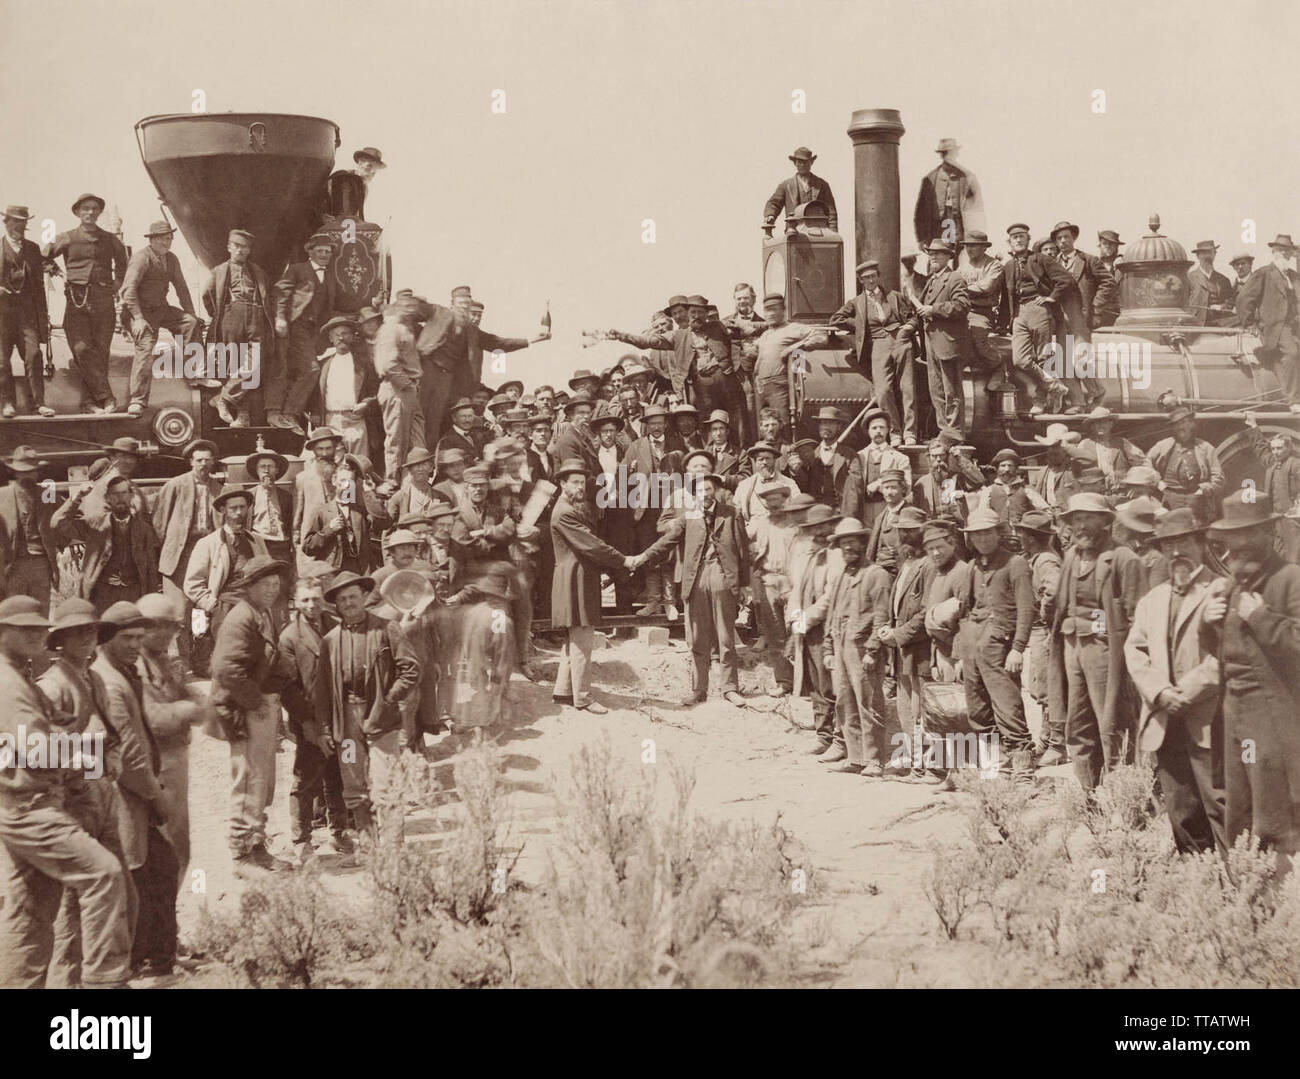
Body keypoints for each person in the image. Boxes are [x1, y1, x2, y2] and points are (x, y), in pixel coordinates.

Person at [0, 596, 132, 989]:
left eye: (39, 627)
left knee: (31, 916)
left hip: (26, 805)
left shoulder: (19, 677)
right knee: (104, 874)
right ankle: (103, 985)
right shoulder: (10, 684)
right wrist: (90, 751)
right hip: (31, 808)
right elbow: (37, 752)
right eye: (25, 629)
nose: (36, 634)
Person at [1203, 490, 1300, 869]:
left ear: (1268, 532)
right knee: (1240, 812)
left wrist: (1261, 618)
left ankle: (1278, 907)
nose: (1240, 543)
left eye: (1249, 532)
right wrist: (1207, 623)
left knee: (1274, 816)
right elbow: (1221, 652)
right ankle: (1244, 896)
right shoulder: (1231, 584)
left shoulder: (1290, 578)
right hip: (1237, 720)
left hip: (1274, 721)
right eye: (1233, 535)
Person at [1125, 509, 1227, 857]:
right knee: (1181, 807)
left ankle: (1239, 885)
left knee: (1220, 803)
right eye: (1168, 544)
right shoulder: (1152, 600)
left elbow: (1228, 654)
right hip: (1164, 717)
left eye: (1183, 541)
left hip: (1210, 718)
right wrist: (1161, 692)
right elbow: (1135, 650)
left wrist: (1187, 691)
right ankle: (1196, 882)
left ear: (1200, 542)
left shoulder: (1220, 590)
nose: (1176, 552)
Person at [93, 601, 179, 975]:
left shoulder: (124, 671)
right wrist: (156, 794)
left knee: (157, 870)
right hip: (126, 797)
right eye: (127, 638)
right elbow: (128, 752)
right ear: (107, 639)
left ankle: (155, 959)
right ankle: (137, 962)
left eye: (139, 638)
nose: (135, 645)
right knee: (141, 875)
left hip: (136, 794)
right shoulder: (111, 682)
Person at [318, 571, 419, 846]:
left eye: (353, 596)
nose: (349, 603)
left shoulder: (387, 629)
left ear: (364, 597)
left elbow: (410, 669)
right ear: (336, 605)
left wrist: (389, 698)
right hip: (347, 726)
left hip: (380, 720)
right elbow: (324, 691)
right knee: (353, 783)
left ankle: (394, 848)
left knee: (386, 783)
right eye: (342, 599)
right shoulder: (330, 641)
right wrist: (326, 729)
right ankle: (368, 847)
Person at [1050, 493, 1140, 791]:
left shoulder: (1123, 558)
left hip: (1105, 649)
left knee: (1111, 723)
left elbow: (1135, 613)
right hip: (1071, 647)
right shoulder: (1072, 556)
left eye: (1088, 517)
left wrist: (1122, 654)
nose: (1081, 525)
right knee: (1077, 723)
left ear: (1105, 521)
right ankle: (1088, 793)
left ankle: (1122, 796)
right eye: (1076, 519)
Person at [208, 556, 292, 874]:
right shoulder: (241, 617)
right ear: (250, 587)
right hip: (240, 711)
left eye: (275, 584)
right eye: (265, 585)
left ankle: (257, 847)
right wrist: (255, 703)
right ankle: (241, 856)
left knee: (261, 782)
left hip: (255, 708)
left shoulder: (261, 613)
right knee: (247, 783)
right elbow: (226, 669)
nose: (272, 589)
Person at [549, 459, 638, 714]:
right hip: (574, 581)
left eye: (582, 482)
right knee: (582, 639)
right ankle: (584, 698)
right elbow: (592, 545)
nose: (580, 487)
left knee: (573, 639)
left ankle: (564, 691)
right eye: (574, 482)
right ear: (562, 483)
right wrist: (623, 560)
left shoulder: (567, 507)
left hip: (576, 578)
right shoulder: (565, 512)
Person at [416, 286, 546, 448]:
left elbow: (499, 343)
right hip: (431, 378)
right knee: (422, 421)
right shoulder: (440, 315)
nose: (474, 316)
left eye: (469, 304)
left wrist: (531, 340)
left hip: (454, 389)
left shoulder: (473, 332)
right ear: (453, 303)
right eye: (462, 303)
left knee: (442, 427)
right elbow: (414, 312)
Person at [958, 507, 1035, 779]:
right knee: (978, 711)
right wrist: (962, 653)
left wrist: (1017, 648)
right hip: (973, 646)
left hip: (1000, 647)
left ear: (998, 533)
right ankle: (996, 768)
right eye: (976, 534)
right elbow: (965, 610)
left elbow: (1026, 609)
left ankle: (1024, 771)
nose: (982, 539)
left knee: (1008, 707)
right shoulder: (972, 567)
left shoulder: (1016, 564)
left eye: (987, 532)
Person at [279, 576, 351, 863]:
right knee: (306, 779)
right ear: (296, 602)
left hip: (342, 719)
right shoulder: (289, 637)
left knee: (340, 773)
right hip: (310, 721)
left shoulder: (337, 625)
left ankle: (339, 831)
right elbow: (289, 688)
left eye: (316, 599)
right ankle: (301, 839)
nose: (311, 605)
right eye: (305, 599)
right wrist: (309, 725)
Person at [134, 593, 201, 891]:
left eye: (173, 627)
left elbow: (187, 697)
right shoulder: (136, 665)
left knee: (179, 846)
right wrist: (189, 710)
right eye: (161, 626)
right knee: (165, 850)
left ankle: (166, 924)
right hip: (156, 765)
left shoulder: (163, 659)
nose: (169, 633)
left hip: (176, 760)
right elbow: (155, 719)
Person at [43, 193, 128, 414]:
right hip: (76, 301)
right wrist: (56, 271)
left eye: (94, 209)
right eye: (85, 209)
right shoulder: (67, 237)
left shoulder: (110, 239)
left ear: (99, 213)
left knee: (100, 352)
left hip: (103, 302)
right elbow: (43, 257)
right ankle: (107, 397)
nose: (90, 212)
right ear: (78, 212)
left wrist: (116, 285)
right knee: (81, 349)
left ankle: (89, 403)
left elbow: (123, 264)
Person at [824, 517, 893, 778]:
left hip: (863, 649)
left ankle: (875, 760)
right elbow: (832, 614)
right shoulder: (842, 574)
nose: (847, 549)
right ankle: (855, 757)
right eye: (843, 544)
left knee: (869, 704)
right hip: (841, 647)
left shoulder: (876, 575)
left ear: (863, 543)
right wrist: (829, 649)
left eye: (852, 543)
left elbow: (881, 616)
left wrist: (874, 650)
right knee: (844, 702)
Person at [877, 506, 938, 780]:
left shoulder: (930, 565)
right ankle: (913, 762)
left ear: (923, 532)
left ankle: (927, 766)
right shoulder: (906, 563)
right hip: (903, 650)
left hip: (922, 648)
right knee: (905, 708)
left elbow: (927, 612)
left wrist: (899, 634)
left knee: (921, 709)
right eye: (901, 530)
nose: (904, 535)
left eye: (910, 530)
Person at [829, 260, 918, 443]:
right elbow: (836, 319)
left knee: (907, 388)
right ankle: (894, 432)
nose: (871, 280)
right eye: (866, 278)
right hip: (878, 344)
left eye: (873, 276)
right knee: (883, 391)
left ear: (878, 276)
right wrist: (860, 326)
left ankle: (910, 432)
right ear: (861, 280)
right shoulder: (857, 302)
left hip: (901, 340)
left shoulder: (895, 296)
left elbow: (913, 317)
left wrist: (908, 327)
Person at [152, 439, 221, 672]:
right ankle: (180, 662)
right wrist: (164, 554)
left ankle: (201, 662)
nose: (203, 464)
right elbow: (159, 523)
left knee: (201, 611)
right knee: (179, 613)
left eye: (207, 459)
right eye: (198, 460)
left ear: (213, 462)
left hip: (205, 554)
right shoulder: (175, 485)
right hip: (179, 556)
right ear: (191, 462)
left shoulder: (217, 488)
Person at [120, 220, 200, 417]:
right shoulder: (141, 258)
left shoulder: (171, 259)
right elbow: (127, 290)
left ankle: (194, 375)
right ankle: (137, 400)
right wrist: (137, 318)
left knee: (190, 323)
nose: (167, 242)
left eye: (170, 238)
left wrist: (190, 312)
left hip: (160, 309)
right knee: (146, 346)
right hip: (138, 311)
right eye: (164, 239)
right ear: (153, 240)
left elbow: (181, 288)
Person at [53, 473, 161, 610]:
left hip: (134, 593)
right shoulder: (95, 524)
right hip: (102, 593)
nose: (120, 498)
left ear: (131, 496)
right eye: (115, 494)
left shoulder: (144, 529)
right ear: (107, 499)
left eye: (124, 493)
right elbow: (57, 523)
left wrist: (151, 602)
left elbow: (150, 567)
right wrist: (77, 497)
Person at [204, 229, 275, 428]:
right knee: (235, 365)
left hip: (256, 318)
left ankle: (224, 398)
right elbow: (206, 295)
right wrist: (222, 315)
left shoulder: (258, 272)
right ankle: (242, 415)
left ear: (249, 250)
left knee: (255, 364)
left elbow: (267, 295)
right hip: (231, 316)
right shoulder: (219, 271)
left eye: (245, 247)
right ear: (229, 247)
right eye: (236, 246)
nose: (240, 251)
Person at [788, 503, 843, 758]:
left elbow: (830, 597)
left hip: (827, 629)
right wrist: (795, 620)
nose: (818, 533)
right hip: (807, 628)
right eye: (813, 529)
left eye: (823, 527)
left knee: (830, 683)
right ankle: (823, 734)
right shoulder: (810, 555)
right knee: (814, 683)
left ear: (832, 526)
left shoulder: (838, 556)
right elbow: (796, 591)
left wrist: (806, 619)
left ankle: (839, 739)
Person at [999, 223, 1071, 414]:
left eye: (1022, 236)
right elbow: (1006, 297)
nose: (1019, 240)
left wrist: (1051, 297)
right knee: (1020, 360)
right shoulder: (1007, 266)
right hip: (1019, 313)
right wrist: (1002, 323)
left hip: (1039, 309)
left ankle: (1040, 402)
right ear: (1010, 242)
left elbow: (1065, 280)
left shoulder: (1040, 259)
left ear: (1028, 239)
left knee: (1043, 358)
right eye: (1015, 237)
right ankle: (1054, 386)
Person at [1013, 510, 1064, 766]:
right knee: (1041, 687)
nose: (1018, 537)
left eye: (1022, 533)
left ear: (1031, 537)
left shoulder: (1045, 560)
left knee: (1048, 688)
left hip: (1044, 630)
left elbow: (1053, 590)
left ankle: (1058, 743)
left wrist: (1045, 615)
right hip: (1040, 629)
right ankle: (1046, 738)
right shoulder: (1036, 557)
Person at [1236, 234, 1300, 414]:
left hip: (1294, 325)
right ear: (1275, 252)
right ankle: (1294, 400)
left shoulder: (1294, 277)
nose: (1286, 255)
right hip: (1275, 326)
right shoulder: (1264, 273)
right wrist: (1249, 324)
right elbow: (1244, 299)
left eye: (1288, 252)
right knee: (1292, 353)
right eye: (1282, 251)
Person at [0, 205, 54, 417]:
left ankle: (38, 404)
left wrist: (43, 320)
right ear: (6, 223)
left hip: (27, 315)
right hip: (2, 315)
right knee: (2, 360)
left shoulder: (32, 249)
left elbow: (39, 287)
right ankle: (7, 403)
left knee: (33, 355)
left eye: (23, 222)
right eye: (15, 221)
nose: (19, 226)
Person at [914, 240, 970, 439]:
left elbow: (962, 306)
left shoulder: (954, 278)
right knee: (936, 389)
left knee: (951, 389)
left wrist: (933, 309)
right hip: (931, 342)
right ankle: (944, 431)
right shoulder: (932, 280)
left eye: (938, 254)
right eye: (931, 254)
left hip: (948, 341)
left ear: (948, 257)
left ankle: (955, 431)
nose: (933, 257)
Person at [0, 446, 65, 613]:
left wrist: (77, 500)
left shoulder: (46, 493)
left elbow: (64, 513)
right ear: (14, 472)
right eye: (23, 471)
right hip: (12, 565)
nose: (28, 475)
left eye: (32, 471)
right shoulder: (3, 495)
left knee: (39, 612)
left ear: (37, 472)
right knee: (13, 614)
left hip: (41, 565)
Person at [748, 293, 822, 438]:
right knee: (762, 429)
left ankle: (786, 457)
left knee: (783, 426)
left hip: (778, 385)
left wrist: (796, 347)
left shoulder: (793, 328)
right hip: (759, 387)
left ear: (783, 310)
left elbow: (820, 336)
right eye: (766, 310)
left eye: (773, 309)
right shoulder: (765, 335)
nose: (769, 314)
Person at [373, 296, 424, 481]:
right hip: (398, 389)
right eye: (408, 306)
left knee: (417, 444)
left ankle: (413, 485)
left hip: (409, 390)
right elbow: (388, 364)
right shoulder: (391, 328)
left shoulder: (403, 328)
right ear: (398, 308)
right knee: (397, 443)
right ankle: (393, 485)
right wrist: (407, 385)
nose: (412, 310)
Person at [316, 315, 378, 460]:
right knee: (333, 463)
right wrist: (314, 411)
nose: (341, 338)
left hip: (356, 420)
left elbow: (376, 390)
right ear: (331, 339)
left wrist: (366, 403)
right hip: (331, 420)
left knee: (359, 463)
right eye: (336, 335)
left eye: (345, 334)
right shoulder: (323, 364)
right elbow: (315, 393)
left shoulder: (364, 364)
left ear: (352, 337)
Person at [1147, 406, 1225, 522]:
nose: (1181, 427)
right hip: (1170, 501)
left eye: (1184, 422)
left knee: (1198, 531)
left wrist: (1202, 491)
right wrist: (1157, 482)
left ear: (1192, 424)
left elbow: (1219, 478)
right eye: (1176, 424)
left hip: (1197, 501)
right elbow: (1145, 464)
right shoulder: (1163, 446)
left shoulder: (1205, 448)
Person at [302, 456, 377, 574]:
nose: (347, 486)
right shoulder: (322, 511)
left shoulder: (361, 511)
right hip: (333, 571)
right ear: (334, 481)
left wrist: (369, 492)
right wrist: (328, 530)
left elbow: (383, 523)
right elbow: (307, 548)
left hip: (359, 571)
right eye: (342, 481)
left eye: (350, 482)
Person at [841, 409, 911, 531]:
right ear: (868, 431)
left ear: (888, 430)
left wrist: (879, 484)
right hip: (864, 509)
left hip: (887, 508)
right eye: (874, 428)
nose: (878, 431)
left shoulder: (900, 458)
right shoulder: (859, 456)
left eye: (882, 427)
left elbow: (907, 486)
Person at [1245, 412, 1300, 561]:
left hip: (1292, 520)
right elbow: (1261, 448)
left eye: (1279, 448)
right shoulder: (1272, 463)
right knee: (1277, 555)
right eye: (1274, 448)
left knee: (1293, 558)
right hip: (1276, 520)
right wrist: (1253, 426)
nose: (1275, 452)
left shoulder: (1295, 464)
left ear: (1288, 448)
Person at [958, 231, 1007, 386]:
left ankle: (999, 366)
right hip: (962, 310)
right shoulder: (963, 267)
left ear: (984, 248)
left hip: (981, 311)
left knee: (978, 339)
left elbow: (986, 287)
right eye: (967, 246)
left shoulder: (994, 265)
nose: (969, 249)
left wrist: (961, 289)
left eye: (973, 245)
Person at [913, 138, 981, 250]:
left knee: (960, 259)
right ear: (941, 155)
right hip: (937, 228)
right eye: (945, 153)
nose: (949, 156)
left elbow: (977, 208)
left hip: (960, 227)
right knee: (937, 257)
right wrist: (921, 238)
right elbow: (920, 211)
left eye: (952, 153)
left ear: (956, 154)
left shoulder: (967, 177)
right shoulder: (930, 178)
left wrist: (976, 237)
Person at [722, 283, 766, 444]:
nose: (742, 302)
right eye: (739, 298)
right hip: (732, 376)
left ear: (753, 299)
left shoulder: (764, 323)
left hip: (756, 375)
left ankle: (757, 446)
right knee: (735, 416)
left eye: (746, 298)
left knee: (754, 413)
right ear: (734, 300)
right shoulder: (725, 322)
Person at [763, 146, 837, 234]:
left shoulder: (823, 185)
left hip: (819, 233)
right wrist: (770, 215)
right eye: (799, 162)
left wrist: (833, 233)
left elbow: (831, 211)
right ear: (795, 163)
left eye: (806, 162)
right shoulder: (786, 185)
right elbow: (774, 203)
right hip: (794, 233)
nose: (802, 165)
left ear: (811, 162)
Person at [1185, 240, 1236, 327]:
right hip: (1196, 326)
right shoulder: (1189, 278)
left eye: (1210, 252)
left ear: (1214, 254)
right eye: (1204, 253)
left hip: (1219, 326)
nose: (1207, 256)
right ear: (1198, 256)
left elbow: (1230, 302)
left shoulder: (1223, 280)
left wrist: (1221, 307)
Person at [326, 146, 385, 220]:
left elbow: (356, 215)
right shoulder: (344, 177)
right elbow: (344, 213)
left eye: (374, 166)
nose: (371, 171)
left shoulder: (364, 188)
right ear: (359, 163)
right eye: (368, 165)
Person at [1094, 230, 1124, 327]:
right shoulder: (1094, 264)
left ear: (1117, 246)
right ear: (1100, 246)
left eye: (1111, 244)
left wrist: (1120, 266)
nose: (1108, 246)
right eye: (1104, 243)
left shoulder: (1122, 264)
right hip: (1100, 311)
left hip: (1118, 311)